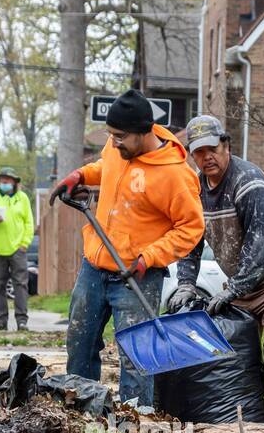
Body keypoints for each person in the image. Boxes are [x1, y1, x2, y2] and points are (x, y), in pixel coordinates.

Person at [49, 87, 205, 406]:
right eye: (111, 135)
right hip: (94, 268)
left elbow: (191, 227)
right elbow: (106, 168)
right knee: (79, 344)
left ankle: (133, 429)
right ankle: (79, 417)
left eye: (120, 136)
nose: (114, 141)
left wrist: (150, 257)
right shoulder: (118, 148)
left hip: (137, 277)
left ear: (143, 132)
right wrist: (80, 175)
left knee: (136, 359)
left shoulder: (175, 175)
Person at [170, 114, 264, 423]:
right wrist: (186, 283)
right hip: (243, 284)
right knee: (226, 349)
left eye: (212, 149)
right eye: (199, 152)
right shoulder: (196, 190)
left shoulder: (249, 183)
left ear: (226, 145)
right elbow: (191, 240)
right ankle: (237, 420)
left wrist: (233, 290)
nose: (207, 158)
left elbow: (259, 245)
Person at [0, 164, 35, 330]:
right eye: (2, 180)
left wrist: (25, 243)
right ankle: (0, 321)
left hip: (18, 249)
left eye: (8, 180)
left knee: (21, 286)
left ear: (14, 182)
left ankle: (22, 321)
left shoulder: (22, 198)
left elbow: (29, 223)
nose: (5, 183)